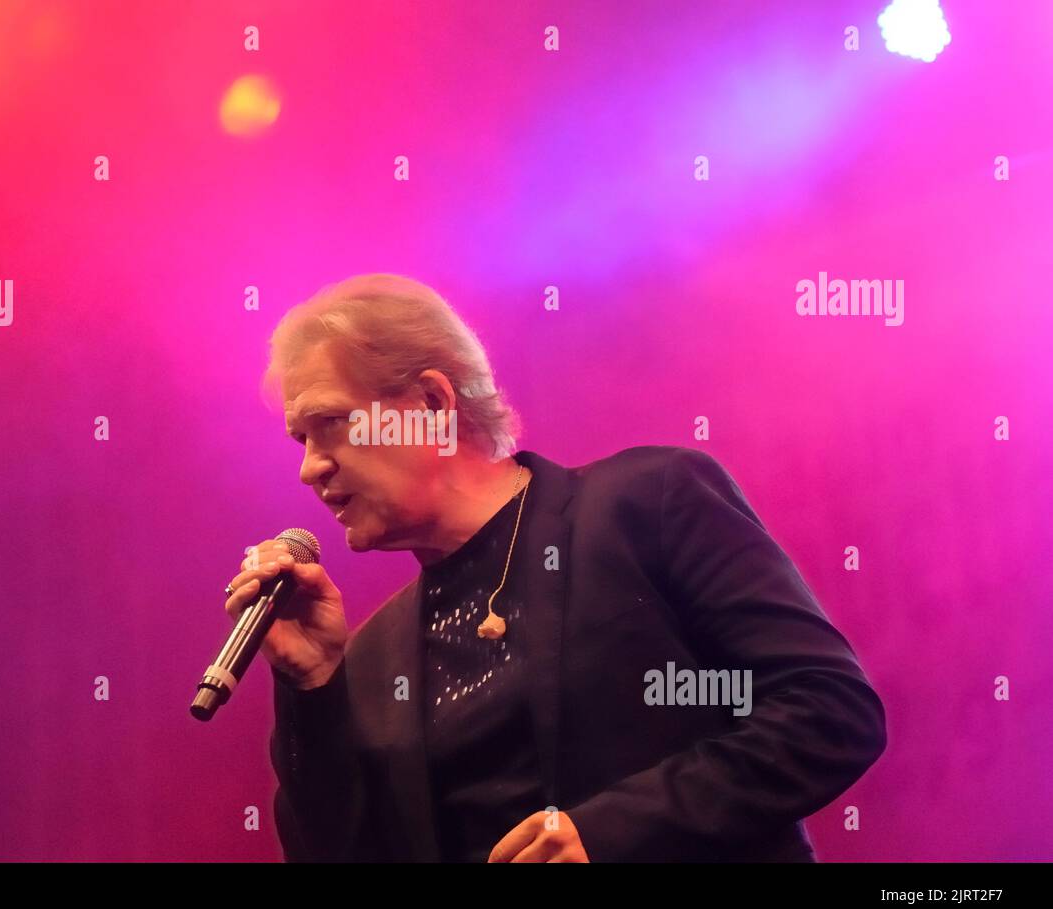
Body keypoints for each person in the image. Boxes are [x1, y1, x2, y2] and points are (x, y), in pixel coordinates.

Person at [223, 273, 887, 863]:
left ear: (430, 403)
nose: (310, 467)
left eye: (331, 425)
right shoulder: (370, 658)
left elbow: (829, 709)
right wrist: (312, 690)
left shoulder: (646, 504)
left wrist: (613, 832)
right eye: (300, 440)